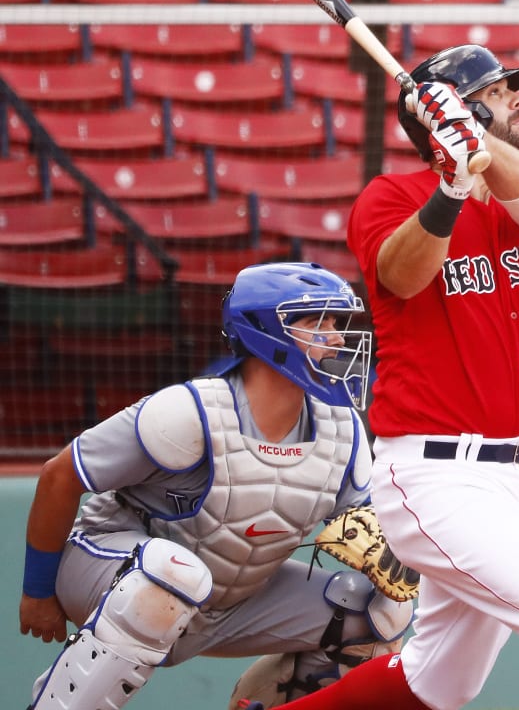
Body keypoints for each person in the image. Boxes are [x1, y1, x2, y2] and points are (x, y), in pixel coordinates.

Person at [242, 45, 519, 710]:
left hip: (518, 476)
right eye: (503, 92)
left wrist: (474, 135)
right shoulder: (390, 197)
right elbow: (399, 275)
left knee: (439, 680)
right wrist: (449, 191)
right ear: (461, 106)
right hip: (433, 473)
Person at [20, 262, 413, 710]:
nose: (339, 338)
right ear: (269, 332)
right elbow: (59, 475)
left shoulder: (342, 430)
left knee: (375, 613)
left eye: (337, 323)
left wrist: (398, 552)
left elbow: (365, 527)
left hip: (232, 598)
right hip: (110, 570)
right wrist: (37, 592)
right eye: (318, 322)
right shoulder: (188, 414)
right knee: (170, 574)